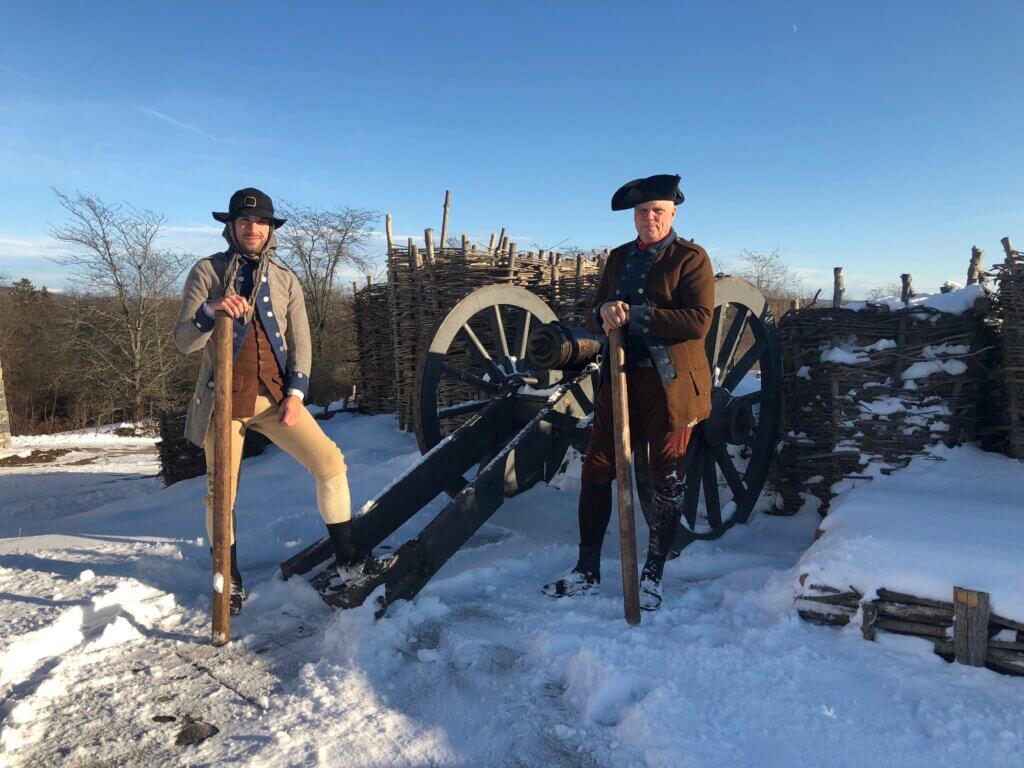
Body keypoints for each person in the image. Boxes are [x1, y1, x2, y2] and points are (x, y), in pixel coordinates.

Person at [174, 187, 355, 614]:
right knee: (221, 493)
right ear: (231, 227)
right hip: (222, 401)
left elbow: (301, 343)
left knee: (330, 464)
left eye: (261, 222)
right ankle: (229, 577)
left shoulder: (286, 277)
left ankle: (350, 562)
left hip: (276, 398)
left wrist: (296, 394)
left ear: (271, 229)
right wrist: (211, 309)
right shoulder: (206, 271)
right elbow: (183, 340)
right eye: (244, 221)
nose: (252, 228)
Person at [542, 174, 714, 610]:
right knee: (597, 467)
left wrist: (636, 316)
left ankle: (653, 574)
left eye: (656, 210)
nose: (648, 217)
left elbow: (698, 320)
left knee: (666, 476)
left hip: (670, 384)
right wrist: (603, 310)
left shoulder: (691, 258)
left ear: (672, 213)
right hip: (618, 379)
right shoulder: (619, 258)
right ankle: (586, 568)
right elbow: (596, 310)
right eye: (641, 211)